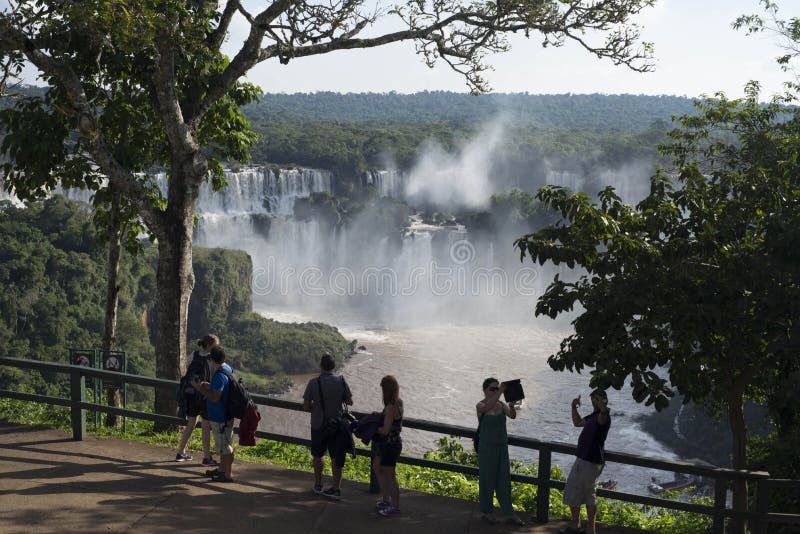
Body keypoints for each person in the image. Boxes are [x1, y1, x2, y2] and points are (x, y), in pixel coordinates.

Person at [560, 389, 611, 534]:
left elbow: (603, 416)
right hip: (589, 460)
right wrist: (573, 407)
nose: (594, 401)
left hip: (588, 460)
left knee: (574, 491)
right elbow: (577, 422)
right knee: (589, 494)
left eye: (597, 399)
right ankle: (589, 530)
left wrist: (603, 407)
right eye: (593, 399)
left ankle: (576, 526)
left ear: (604, 401)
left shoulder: (603, 416)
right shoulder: (593, 416)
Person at [302, 353, 353, 500]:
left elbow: (306, 407)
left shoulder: (313, 383)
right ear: (333, 366)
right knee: (336, 456)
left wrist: (317, 406)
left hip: (318, 424)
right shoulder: (341, 380)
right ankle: (336, 488)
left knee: (318, 455)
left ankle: (318, 485)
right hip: (337, 425)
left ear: (321, 366)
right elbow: (349, 402)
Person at [476, 378, 525, 527]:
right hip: (487, 449)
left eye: (497, 389)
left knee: (504, 481)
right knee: (487, 480)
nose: (496, 391)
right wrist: (501, 391)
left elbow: (512, 416)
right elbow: (486, 408)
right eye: (492, 389)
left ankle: (509, 513)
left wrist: (511, 405)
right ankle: (487, 512)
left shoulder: (501, 405)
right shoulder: (480, 405)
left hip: (502, 448)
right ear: (484, 390)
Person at [191, 346, 235, 483]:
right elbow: (221, 389)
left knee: (225, 447)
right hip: (226, 414)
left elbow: (215, 397)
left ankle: (227, 474)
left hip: (220, 416)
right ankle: (222, 469)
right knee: (224, 445)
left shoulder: (219, 375)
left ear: (211, 359)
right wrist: (209, 385)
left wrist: (199, 388)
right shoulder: (227, 369)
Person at [175, 334, 219, 466]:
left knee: (190, 424)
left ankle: (180, 452)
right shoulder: (212, 359)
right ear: (210, 345)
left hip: (191, 395)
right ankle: (206, 457)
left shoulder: (193, 354)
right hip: (205, 395)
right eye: (216, 345)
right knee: (206, 427)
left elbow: (186, 370)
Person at [373, 375, 403, 518]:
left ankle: (395, 508)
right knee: (377, 467)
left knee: (390, 476)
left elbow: (385, 430)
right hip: (391, 443)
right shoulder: (399, 402)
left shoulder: (391, 407)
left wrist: (373, 428)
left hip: (389, 445)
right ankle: (386, 500)